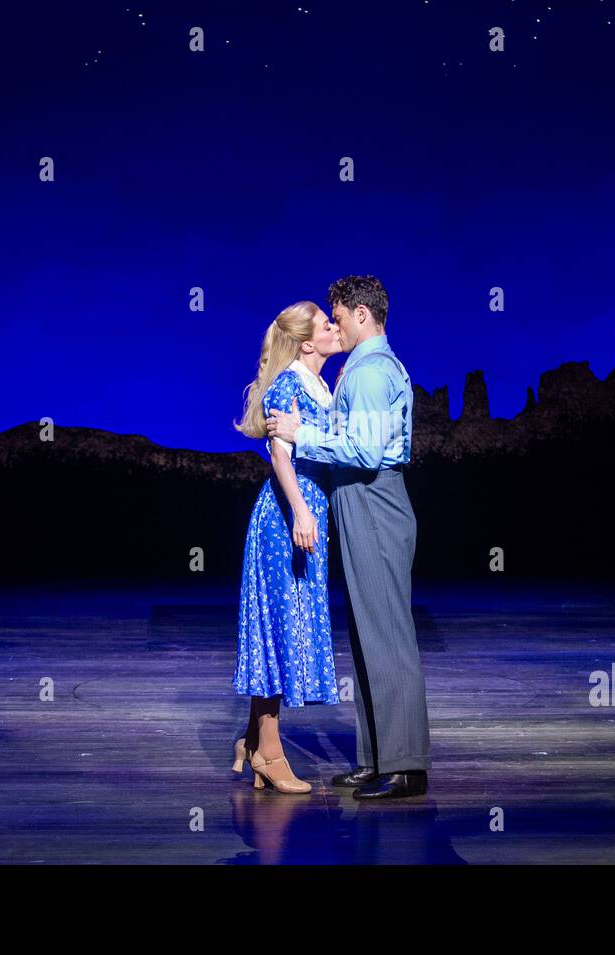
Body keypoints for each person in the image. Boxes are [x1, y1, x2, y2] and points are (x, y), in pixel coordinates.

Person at [267, 275, 431, 800]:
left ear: (362, 314)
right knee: (367, 632)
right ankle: (378, 758)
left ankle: (403, 766)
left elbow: (361, 450)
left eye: (337, 317)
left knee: (387, 632)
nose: (334, 326)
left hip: (372, 499)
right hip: (360, 501)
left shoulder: (370, 372)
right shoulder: (365, 369)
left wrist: (301, 434)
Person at [231, 300, 342, 793]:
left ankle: (253, 740)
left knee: (285, 622)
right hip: (283, 520)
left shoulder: (319, 383)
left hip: (304, 516)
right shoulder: (290, 382)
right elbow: (281, 454)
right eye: (326, 324)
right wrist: (300, 510)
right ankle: (269, 755)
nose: (334, 328)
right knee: (278, 628)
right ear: (305, 343)